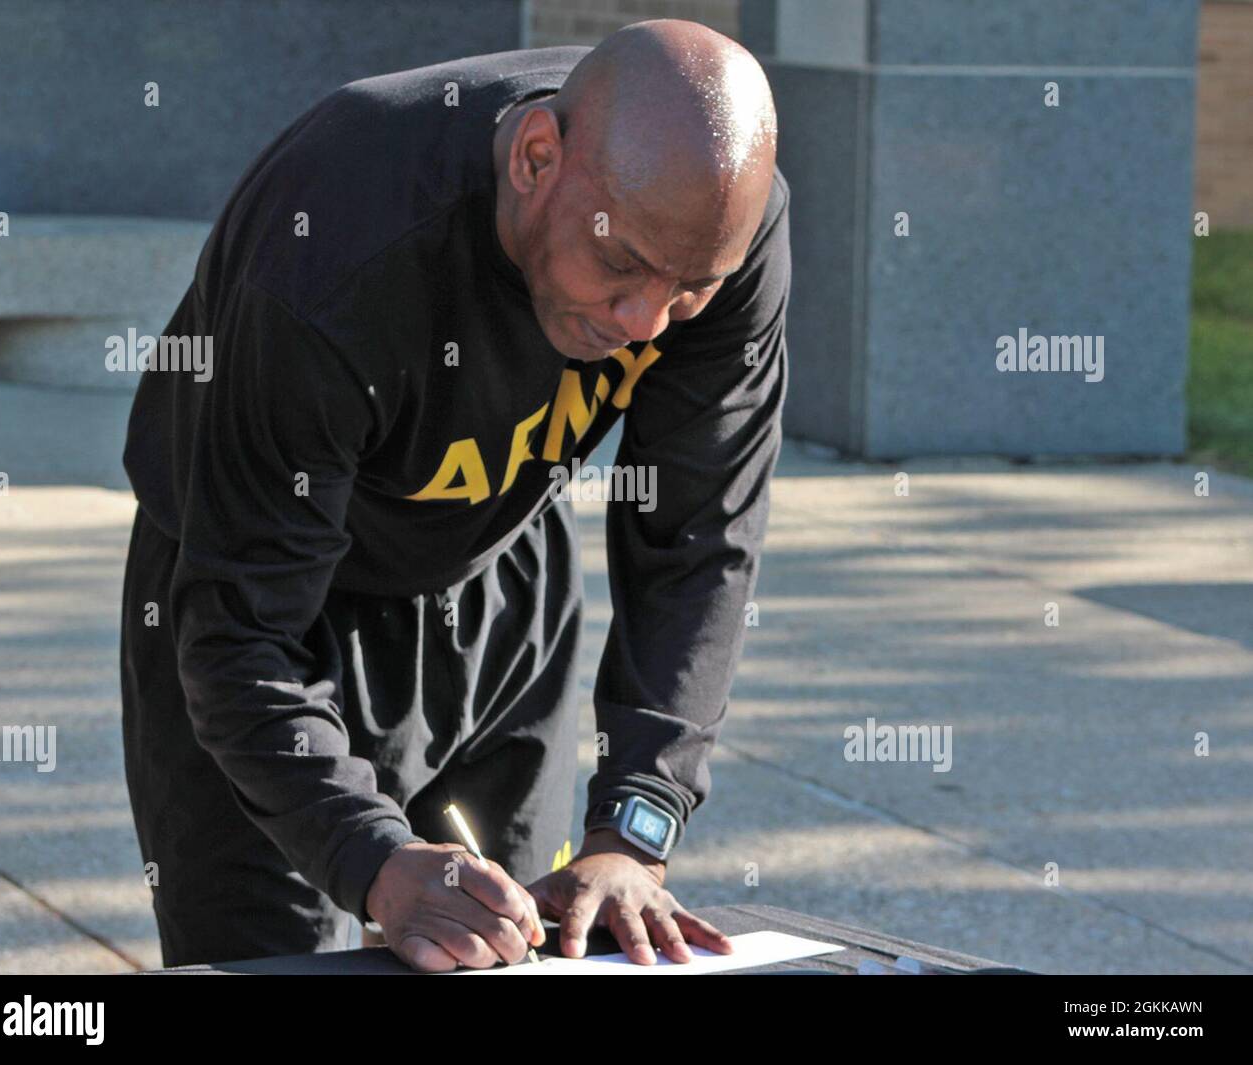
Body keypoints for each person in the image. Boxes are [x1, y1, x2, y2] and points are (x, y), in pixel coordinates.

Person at [119, 17, 790, 971]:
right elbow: (240, 633)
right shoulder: (329, 248)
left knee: (520, 946)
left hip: (497, 574)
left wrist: (634, 827)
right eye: (622, 265)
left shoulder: (721, 228)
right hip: (260, 600)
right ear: (536, 157)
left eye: (689, 292)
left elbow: (699, 539)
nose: (648, 323)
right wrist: (375, 859)